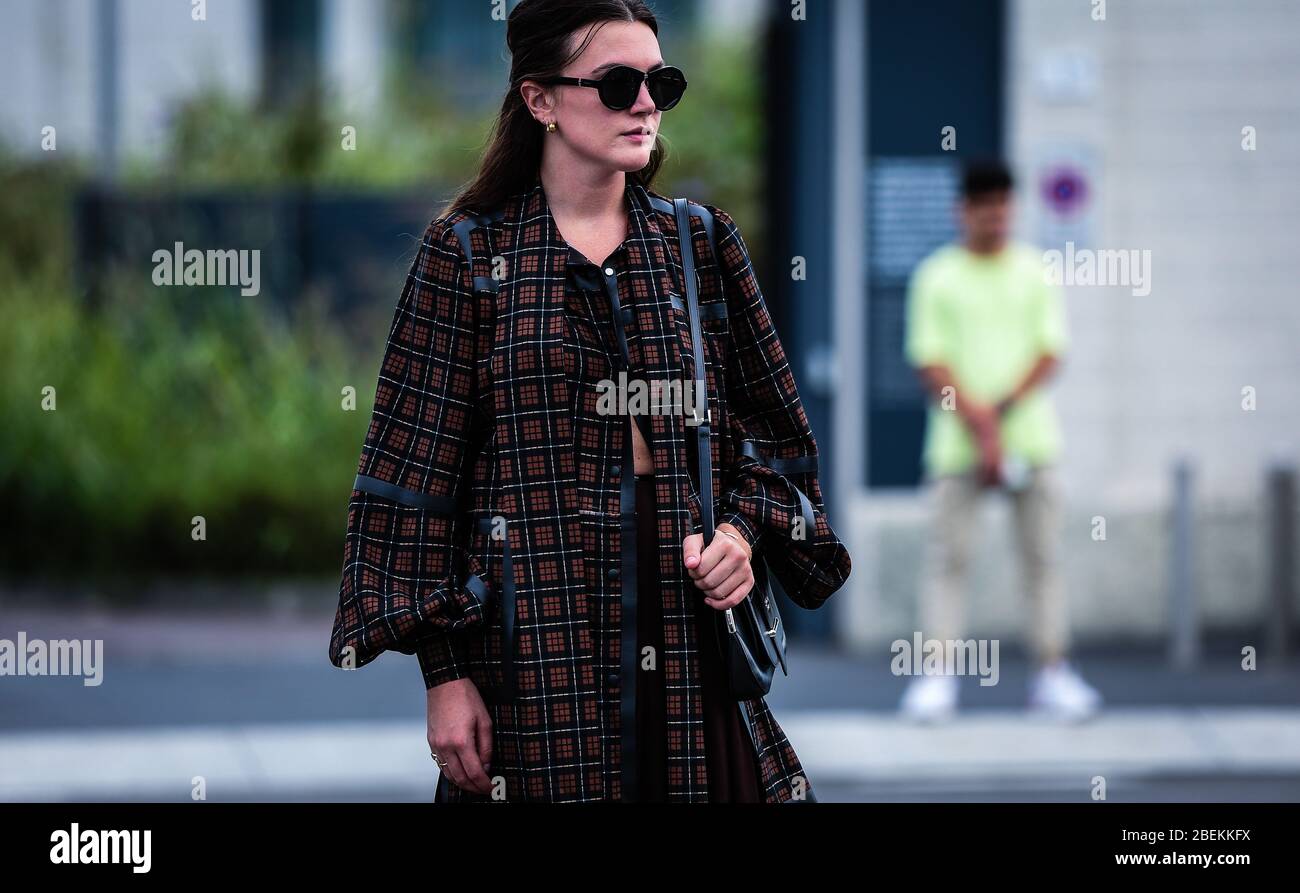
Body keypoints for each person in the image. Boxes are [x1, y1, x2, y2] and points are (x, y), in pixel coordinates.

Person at [327, 0, 850, 802]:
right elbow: (413, 473)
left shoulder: (701, 245)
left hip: (687, 636)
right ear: (539, 100)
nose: (645, 103)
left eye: (660, 82)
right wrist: (446, 674)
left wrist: (743, 537)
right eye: (617, 84)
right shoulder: (468, 256)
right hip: (536, 635)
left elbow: (778, 447)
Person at [900, 159, 1101, 722]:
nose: (995, 216)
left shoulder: (1035, 272)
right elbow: (929, 361)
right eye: (984, 205)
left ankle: (1053, 673)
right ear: (962, 210)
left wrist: (997, 416)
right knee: (947, 562)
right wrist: (982, 425)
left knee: (1043, 561)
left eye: (1003, 205)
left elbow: (1049, 353)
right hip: (954, 448)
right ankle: (936, 678)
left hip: (1032, 445)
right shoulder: (937, 276)